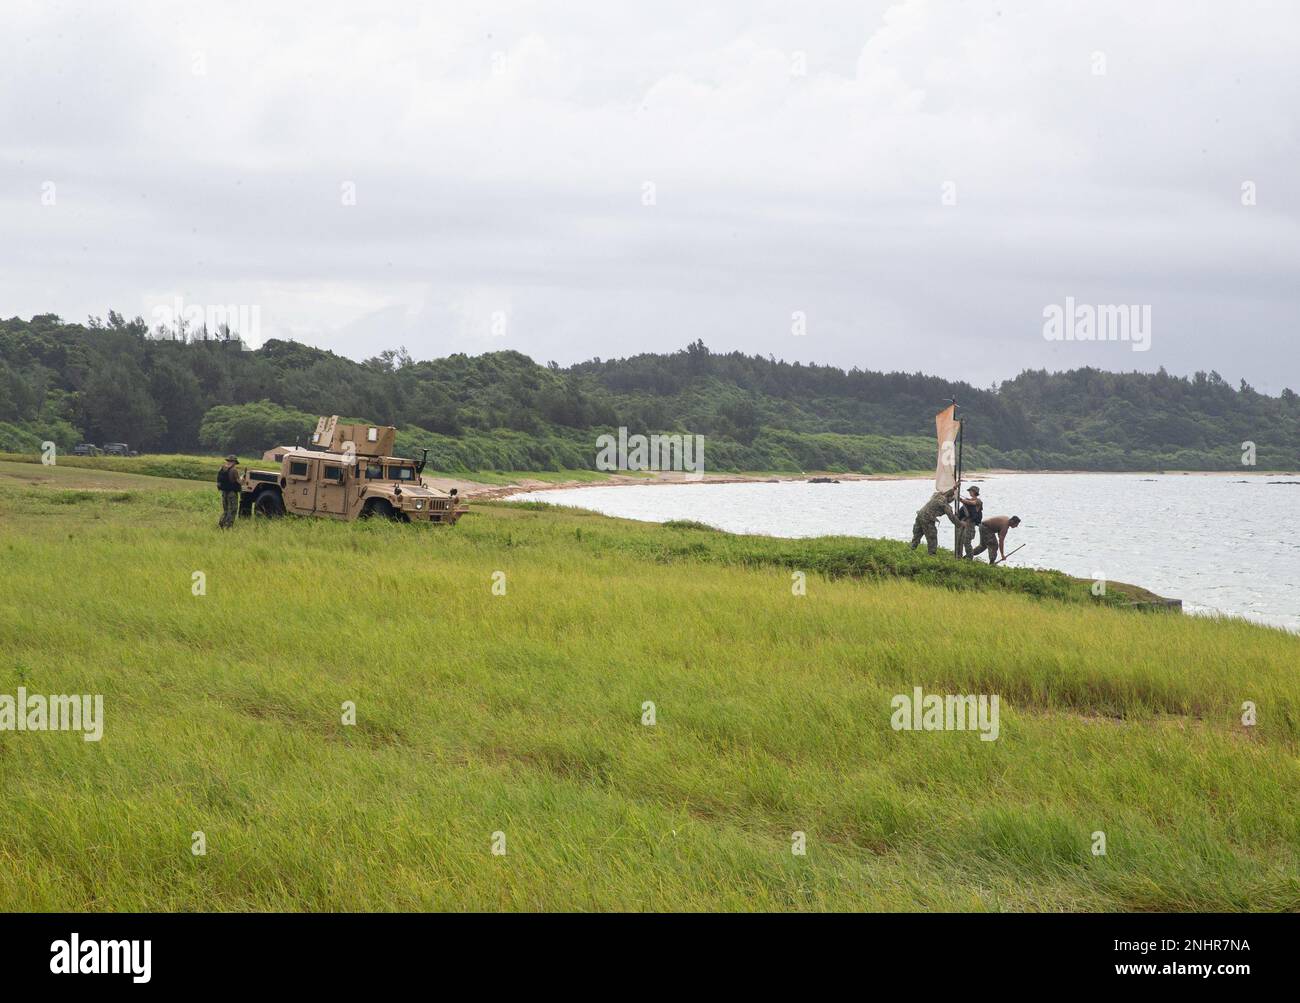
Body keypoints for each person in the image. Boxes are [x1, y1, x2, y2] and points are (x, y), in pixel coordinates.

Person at [910, 487, 956, 555]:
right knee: (932, 537)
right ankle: (932, 554)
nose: (950, 501)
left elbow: (945, 493)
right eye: (951, 500)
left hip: (920, 515)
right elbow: (952, 517)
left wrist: (954, 488)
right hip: (927, 519)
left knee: (917, 535)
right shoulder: (944, 504)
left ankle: (911, 549)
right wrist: (960, 524)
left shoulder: (936, 495)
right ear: (949, 498)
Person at [954, 485, 982, 558]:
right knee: (959, 540)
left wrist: (961, 500)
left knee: (966, 542)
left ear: (974, 492)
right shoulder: (969, 500)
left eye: (970, 491)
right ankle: (958, 556)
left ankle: (969, 558)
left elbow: (972, 503)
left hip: (970, 524)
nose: (969, 492)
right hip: (964, 522)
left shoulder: (978, 501)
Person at [217, 454, 241, 529]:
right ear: (234, 462)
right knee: (233, 509)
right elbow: (239, 482)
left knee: (226, 510)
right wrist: (243, 479)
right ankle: (228, 526)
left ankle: (221, 523)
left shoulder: (222, 468)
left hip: (224, 492)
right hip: (232, 493)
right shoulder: (234, 470)